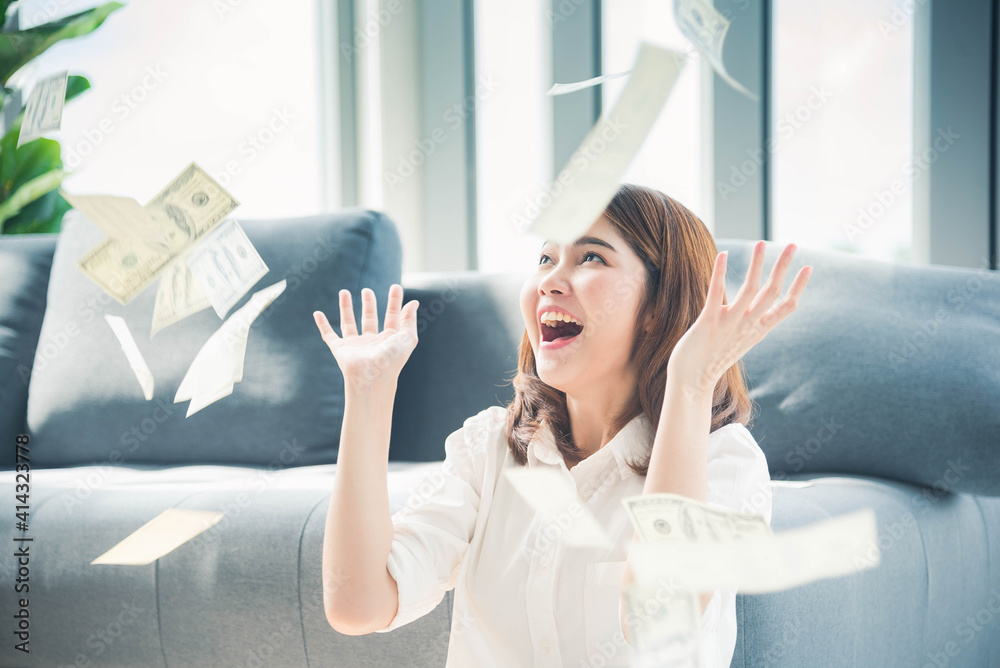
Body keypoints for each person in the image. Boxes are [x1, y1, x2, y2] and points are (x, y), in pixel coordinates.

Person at [314, 183, 813, 667]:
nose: (551, 279)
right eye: (546, 258)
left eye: (591, 257)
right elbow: (359, 605)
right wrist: (368, 393)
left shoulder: (724, 462)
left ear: (658, 309)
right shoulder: (489, 448)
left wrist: (690, 383)